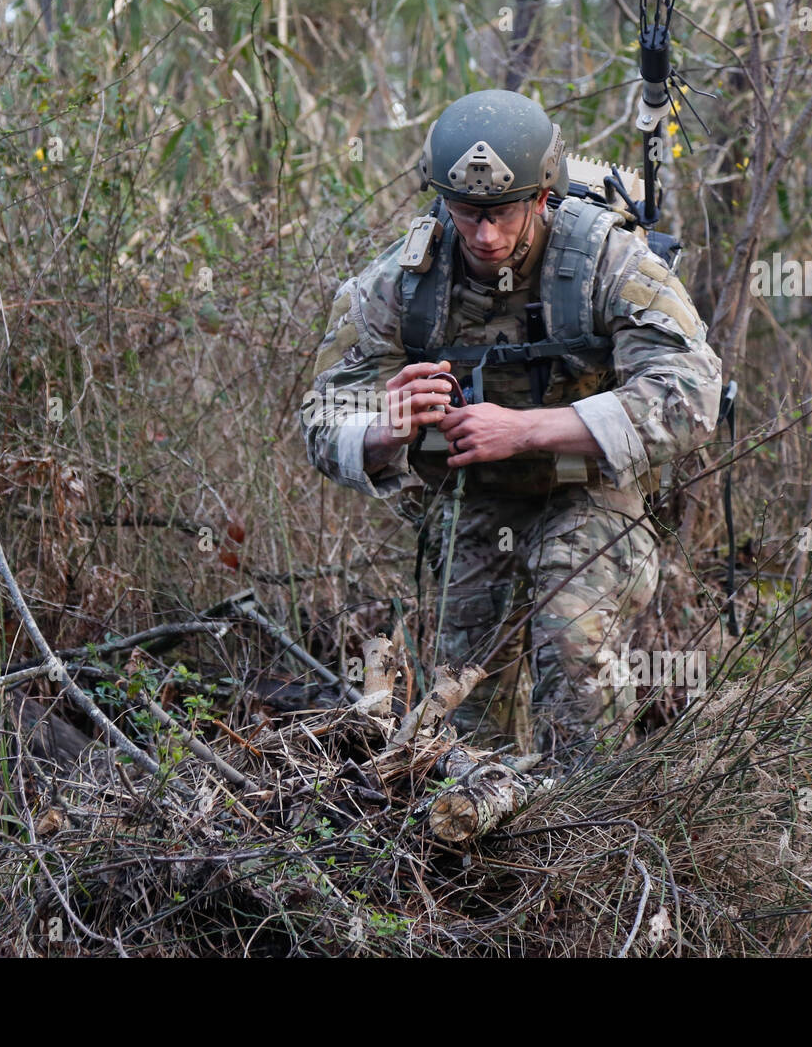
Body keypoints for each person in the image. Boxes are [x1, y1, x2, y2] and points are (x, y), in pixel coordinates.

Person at [301, 89, 721, 756]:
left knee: (572, 636)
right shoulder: (402, 282)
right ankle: (488, 812)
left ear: (541, 196)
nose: (485, 236)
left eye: (503, 212)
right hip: (473, 499)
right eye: (468, 213)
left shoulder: (605, 261)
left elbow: (691, 394)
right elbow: (324, 415)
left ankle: (594, 808)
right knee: (463, 694)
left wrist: (525, 430)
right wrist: (386, 430)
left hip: (589, 486)